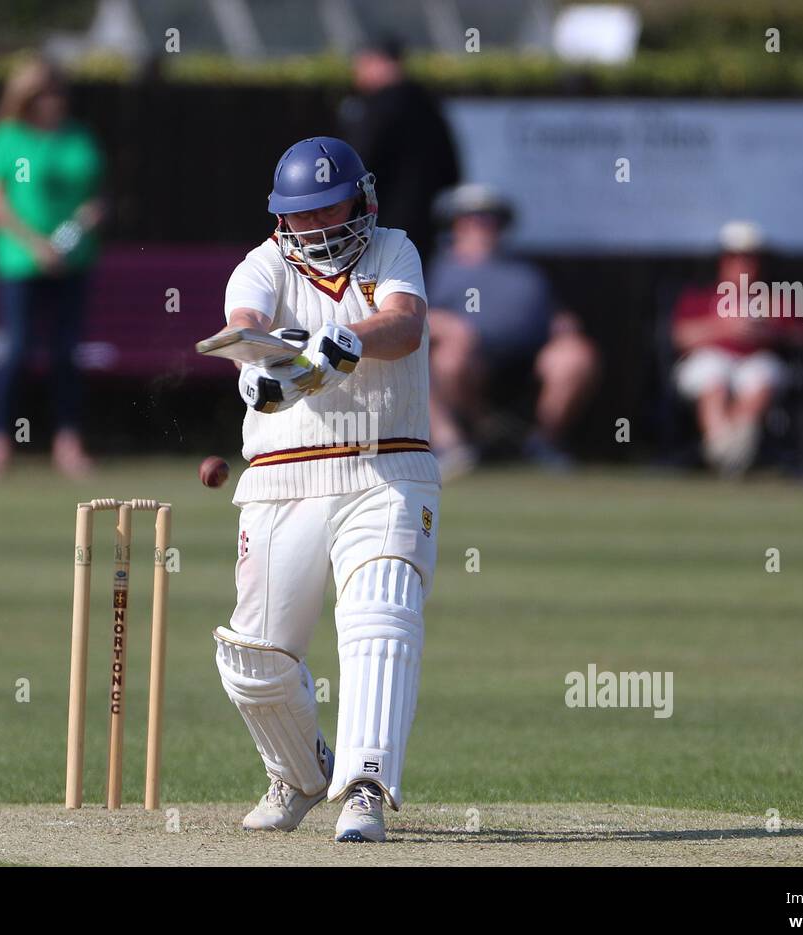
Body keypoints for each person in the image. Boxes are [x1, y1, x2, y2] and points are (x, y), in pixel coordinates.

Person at [213, 136, 439, 843]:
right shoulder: (262, 263)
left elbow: (405, 324)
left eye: (325, 208)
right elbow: (241, 326)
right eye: (298, 213)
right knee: (254, 659)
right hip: (281, 479)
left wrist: (348, 338)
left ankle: (366, 788)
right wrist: (262, 358)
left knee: (380, 617)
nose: (312, 225)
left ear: (360, 200)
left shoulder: (393, 250)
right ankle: (301, 773)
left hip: (387, 470)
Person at [0, 58, 107, 477]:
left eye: (57, 94)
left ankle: (68, 443)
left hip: (73, 261)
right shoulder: (7, 139)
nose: (52, 102)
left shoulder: (78, 137)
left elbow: (94, 197)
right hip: (19, 264)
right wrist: (35, 244)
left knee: (67, 352)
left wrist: (83, 224)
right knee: (16, 348)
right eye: (43, 95)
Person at [425, 184, 599, 475]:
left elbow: (556, 317)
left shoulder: (526, 271)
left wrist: (565, 330)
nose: (480, 226)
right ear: (455, 223)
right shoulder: (435, 268)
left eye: (488, 219)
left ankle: (544, 443)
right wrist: (445, 325)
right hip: (468, 360)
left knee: (576, 356)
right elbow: (405, 316)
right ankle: (455, 444)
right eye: (470, 218)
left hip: (527, 359)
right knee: (447, 359)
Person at [670, 221, 803, 476]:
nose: (743, 265)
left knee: (760, 377)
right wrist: (723, 328)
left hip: (757, 361)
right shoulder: (700, 295)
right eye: (735, 257)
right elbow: (680, 336)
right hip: (709, 361)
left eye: (749, 258)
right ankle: (724, 449)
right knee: (712, 376)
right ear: (722, 260)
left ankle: (725, 454)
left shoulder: (777, 297)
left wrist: (771, 327)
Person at [339, 37, 460, 263]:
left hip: (377, 228)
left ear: (378, 62)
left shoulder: (377, 107)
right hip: (423, 229)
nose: (357, 74)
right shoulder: (429, 104)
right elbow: (451, 171)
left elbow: (356, 164)